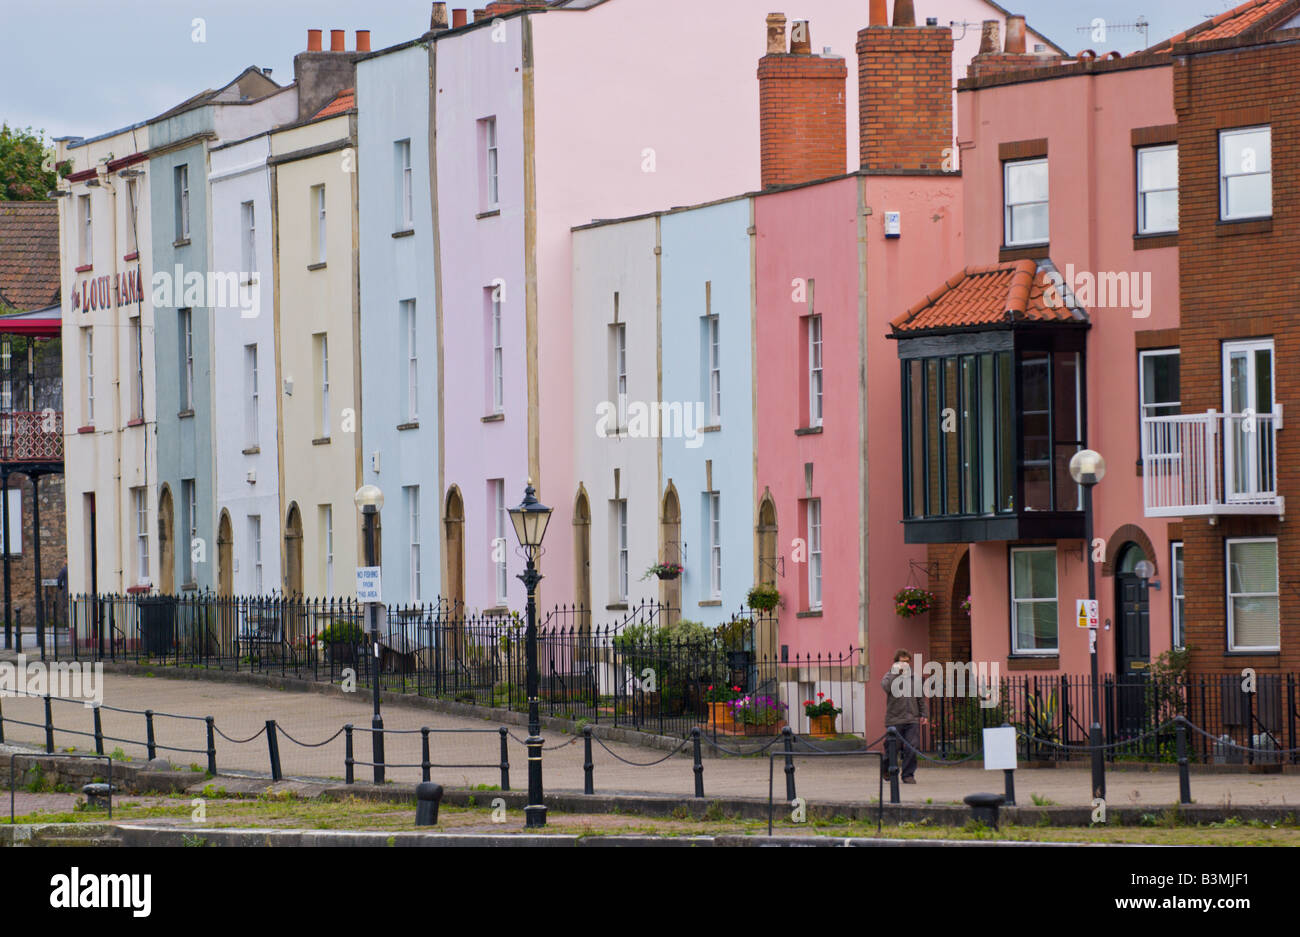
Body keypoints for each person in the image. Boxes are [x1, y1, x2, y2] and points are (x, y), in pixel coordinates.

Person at [880, 648, 928, 783]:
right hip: (895, 719)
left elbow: (920, 698)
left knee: (912, 747)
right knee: (892, 748)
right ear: (896, 663)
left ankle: (908, 775)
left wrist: (924, 714)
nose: (905, 665)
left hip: (911, 718)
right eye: (902, 662)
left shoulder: (915, 678)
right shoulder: (889, 676)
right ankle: (887, 768)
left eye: (907, 662)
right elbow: (886, 687)